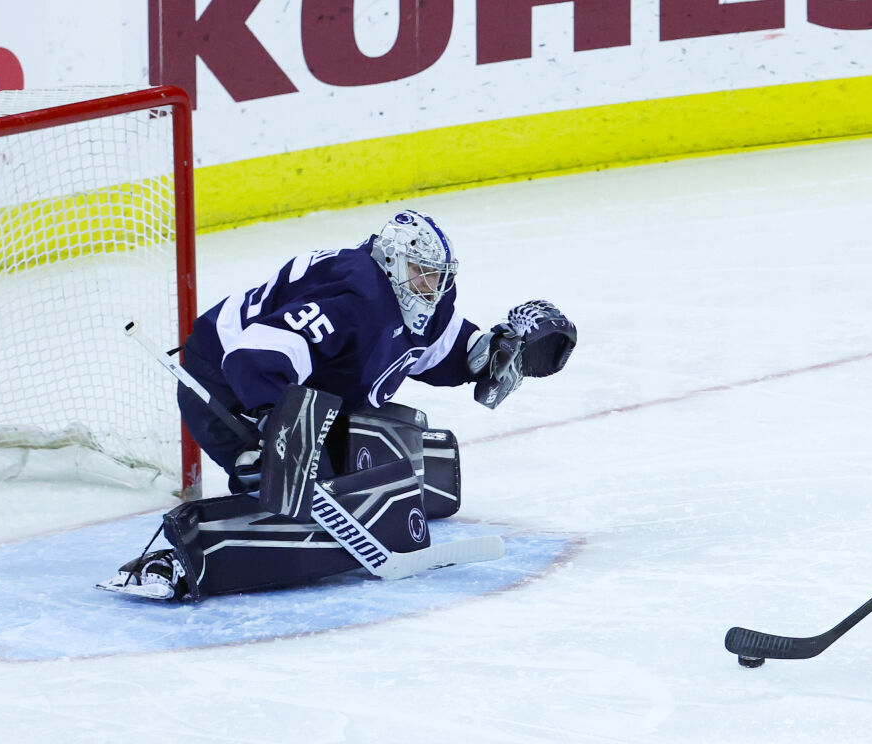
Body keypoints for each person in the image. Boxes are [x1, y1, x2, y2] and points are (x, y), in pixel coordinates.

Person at [99, 209, 576, 601]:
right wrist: (277, 437)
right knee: (301, 503)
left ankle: (302, 479)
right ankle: (179, 559)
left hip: (307, 391)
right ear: (391, 262)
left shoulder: (420, 301)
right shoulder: (354, 297)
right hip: (224, 382)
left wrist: (495, 350)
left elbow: (445, 351)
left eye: (437, 279)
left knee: (404, 463)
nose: (429, 289)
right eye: (421, 275)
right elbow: (252, 359)